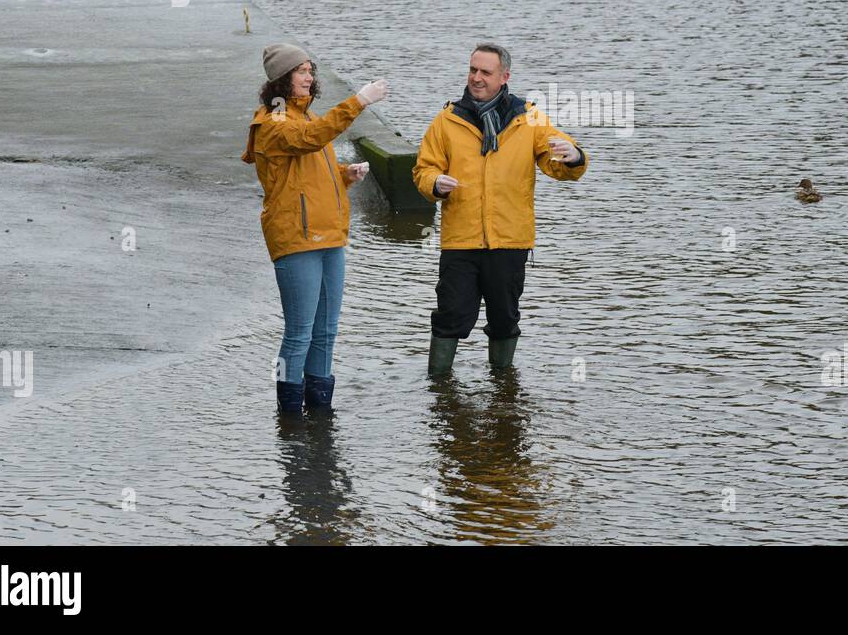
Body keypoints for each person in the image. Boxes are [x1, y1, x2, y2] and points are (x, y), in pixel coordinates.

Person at [413, 43, 589, 374]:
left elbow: (560, 165)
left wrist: (575, 156)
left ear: (504, 76)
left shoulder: (530, 117)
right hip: (460, 242)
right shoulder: (446, 120)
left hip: (510, 241)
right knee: (450, 317)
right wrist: (435, 183)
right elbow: (423, 170)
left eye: (485, 72)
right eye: (472, 70)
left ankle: (503, 388)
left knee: (505, 319)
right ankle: (438, 388)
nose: (476, 78)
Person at [241, 43, 389, 413]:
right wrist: (359, 102)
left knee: (325, 333)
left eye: (311, 70)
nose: (310, 77)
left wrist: (342, 175)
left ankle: (320, 414)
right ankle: (288, 414)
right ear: (281, 79)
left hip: (329, 237)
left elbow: (304, 170)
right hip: (295, 239)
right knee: (298, 334)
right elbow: (309, 141)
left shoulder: (307, 117)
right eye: (302, 71)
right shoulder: (272, 123)